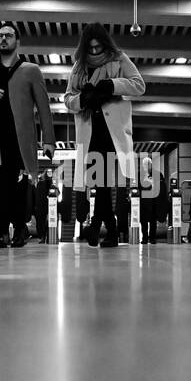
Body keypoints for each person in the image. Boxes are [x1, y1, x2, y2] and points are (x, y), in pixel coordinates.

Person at [0, 24, 56, 248]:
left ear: (18, 41)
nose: (3, 38)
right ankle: (18, 229)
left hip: (21, 140)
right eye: (0, 35)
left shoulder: (31, 70)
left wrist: (49, 141)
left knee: (15, 188)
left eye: (8, 35)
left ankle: (3, 232)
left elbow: (44, 107)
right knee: (1, 187)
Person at [63, 23, 146, 248]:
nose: (95, 53)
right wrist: (83, 100)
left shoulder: (119, 59)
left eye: (99, 48)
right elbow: (68, 99)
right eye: (91, 49)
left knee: (103, 181)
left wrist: (111, 85)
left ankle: (100, 225)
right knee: (101, 182)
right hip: (90, 130)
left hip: (112, 130)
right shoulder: (78, 68)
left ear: (105, 44)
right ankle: (108, 228)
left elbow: (139, 86)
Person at [138, 156, 169, 244]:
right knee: (143, 222)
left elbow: (162, 187)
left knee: (153, 221)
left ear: (151, 164)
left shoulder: (158, 174)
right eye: (144, 164)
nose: (145, 166)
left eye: (147, 164)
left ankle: (152, 238)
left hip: (154, 201)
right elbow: (137, 188)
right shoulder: (139, 175)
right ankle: (144, 238)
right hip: (143, 201)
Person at [35, 169, 56, 243]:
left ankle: (44, 237)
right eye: (48, 172)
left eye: (51, 172)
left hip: (47, 206)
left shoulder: (50, 184)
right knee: (43, 222)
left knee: (43, 222)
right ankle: (44, 237)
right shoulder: (43, 183)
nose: (49, 174)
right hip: (44, 206)